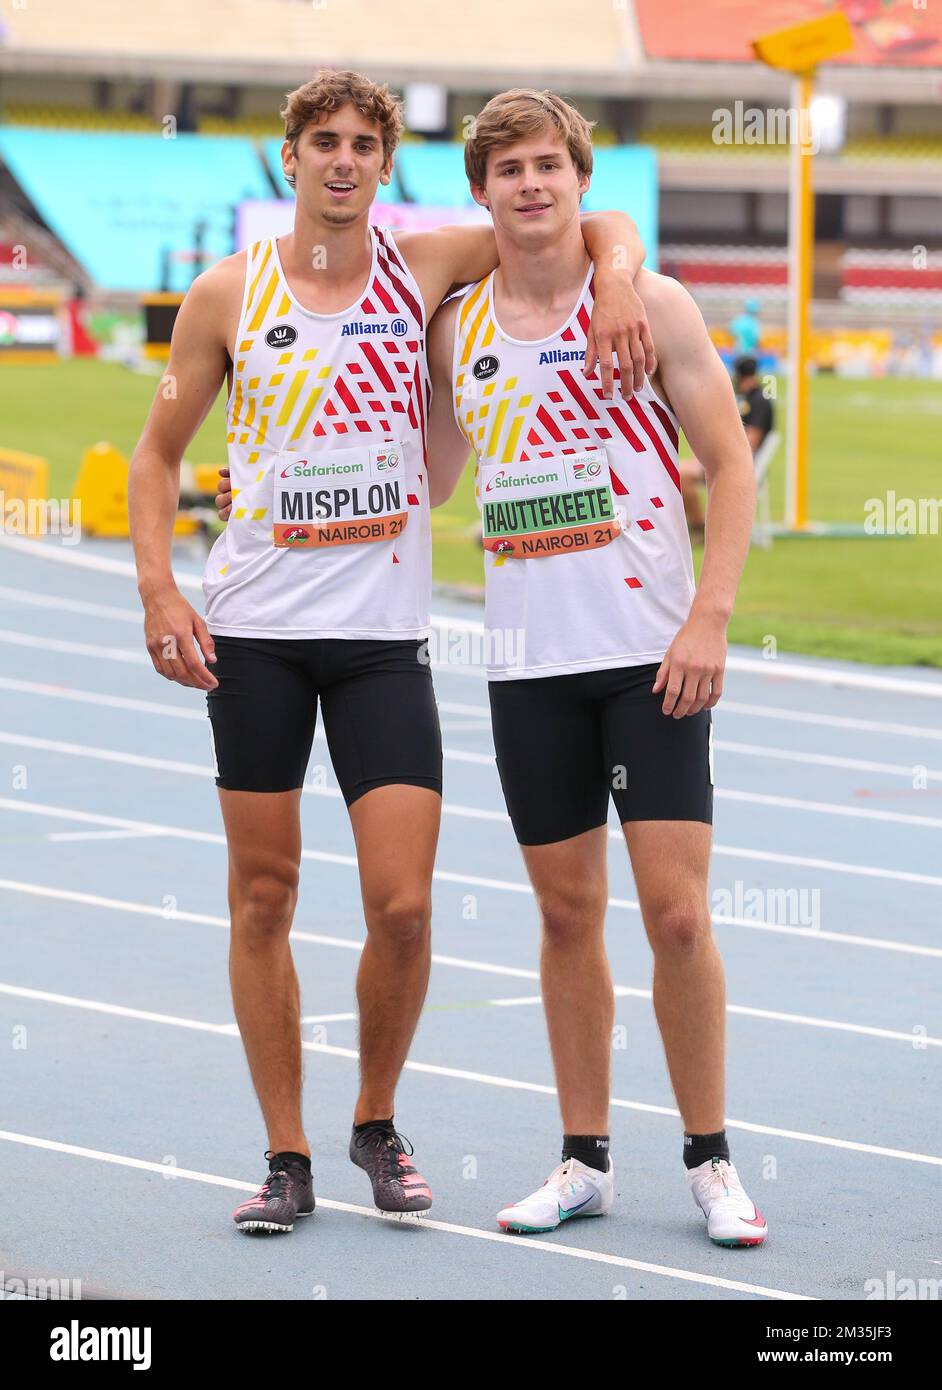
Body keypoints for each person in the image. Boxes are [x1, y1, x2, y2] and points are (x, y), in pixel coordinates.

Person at [128, 67, 653, 1235]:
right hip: (257, 637)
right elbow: (157, 453)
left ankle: (374, 1119)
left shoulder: (420, 270)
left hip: (379, 643)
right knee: (263, 896)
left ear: (385, 162)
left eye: (367, 141)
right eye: (325, 140)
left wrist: (617, 279)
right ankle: (285, 1154)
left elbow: (590, 215)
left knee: (404, 905)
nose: (346, 158)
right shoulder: (227, 294)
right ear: (292, 157)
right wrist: (161, 586)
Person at [422, 88, 766, 1246]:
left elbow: (728, 464)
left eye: (549, 166)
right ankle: (583, 1160)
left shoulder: (650, 302)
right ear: (483, 191)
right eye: (508, 168)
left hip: (649, 657)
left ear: (581, 179)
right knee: (568, 915)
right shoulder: (454, 327)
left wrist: (711, 616)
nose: (530, 184)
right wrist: (273, 480)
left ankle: (712, 1160)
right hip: (526, 664)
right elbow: (424, 481)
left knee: (675, 915)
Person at [680, 355, 773, 535]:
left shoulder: (759, 402)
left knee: (681, 475)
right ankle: (692, 526)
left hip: (737, 463)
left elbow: (751, 441)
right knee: (676, 471)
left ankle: (699, 528)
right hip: (729, 458)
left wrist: (715, 455)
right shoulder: (746, 398)